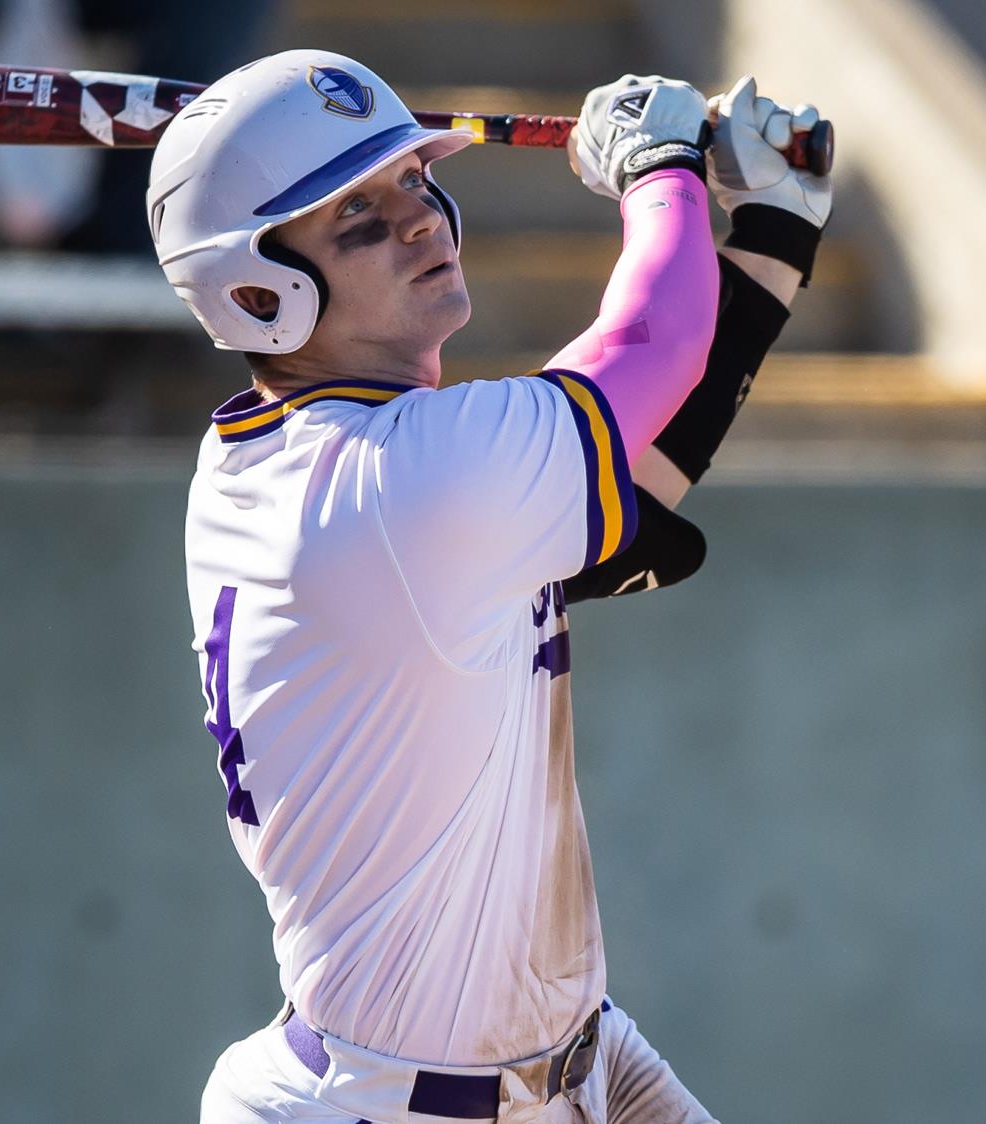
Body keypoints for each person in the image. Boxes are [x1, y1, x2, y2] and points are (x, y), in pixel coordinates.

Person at [157, 49, 829, 1123]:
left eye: (413, 181)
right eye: (357, 219)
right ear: (255, 288)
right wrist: (659, 171)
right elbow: (653, 342)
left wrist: (772, 235)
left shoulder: (337, 464)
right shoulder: (391, 482)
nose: (419, 219)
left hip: (563, 1056)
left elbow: (636, 470)